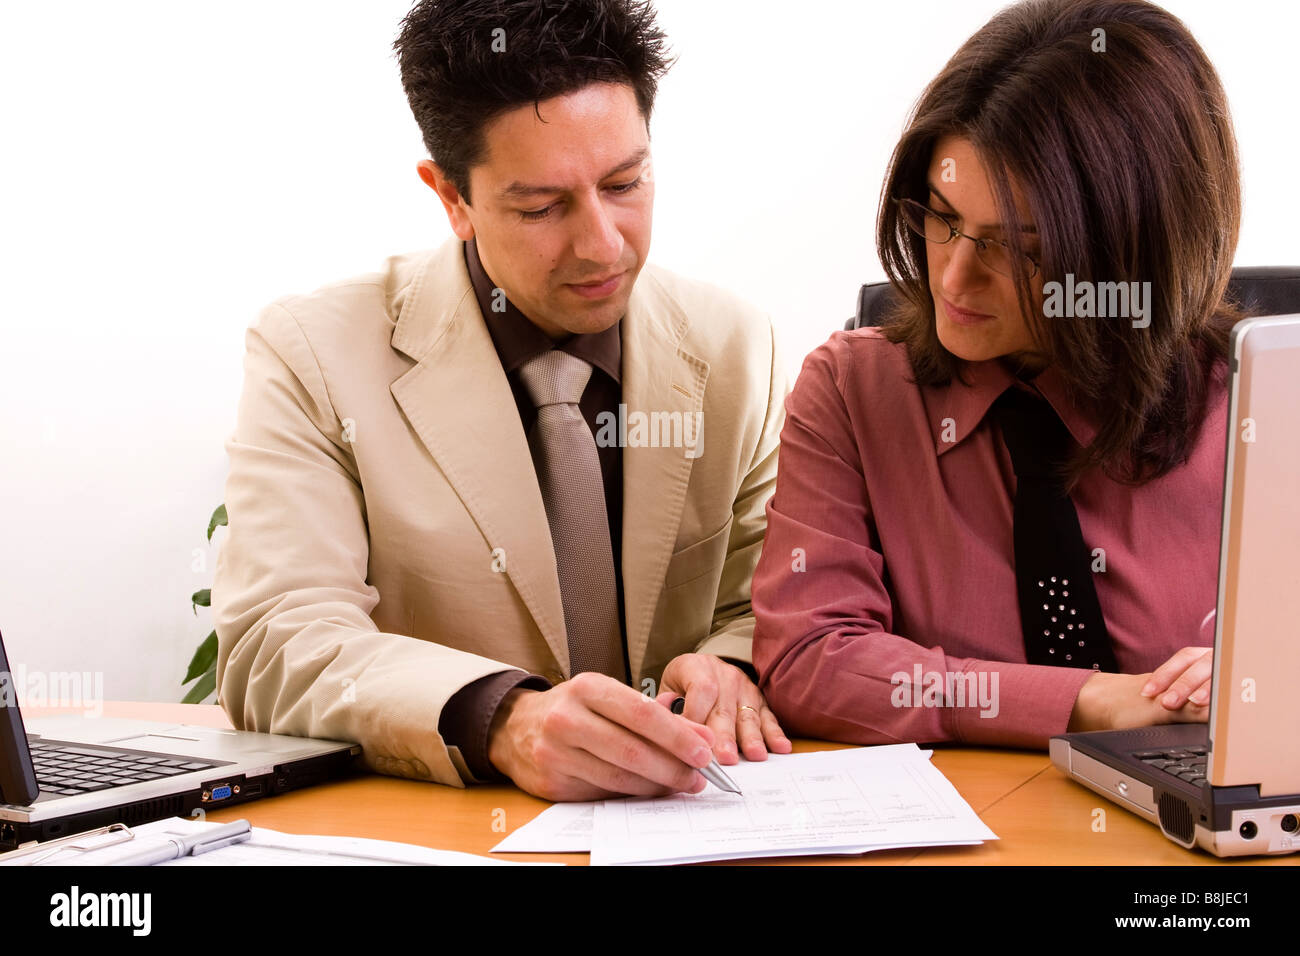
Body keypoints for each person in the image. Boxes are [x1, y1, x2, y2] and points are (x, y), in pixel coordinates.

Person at [213, 0, 791, 801]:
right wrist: (503, 720)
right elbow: (277, 643)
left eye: (625, 183)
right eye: (541, 208)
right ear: (451, 197)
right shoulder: (314, 353)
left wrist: (731, 665)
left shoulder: (735, 345)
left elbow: (782, 593)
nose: (602, 244)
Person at [752, 0, 1243, 749]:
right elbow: (810, 660)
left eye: (1017, 248)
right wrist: (1087, 702)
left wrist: (1265, 680)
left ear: (1130, 253)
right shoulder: (851, 393)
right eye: (943, 216)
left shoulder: (1259, 407)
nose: (953, 276)